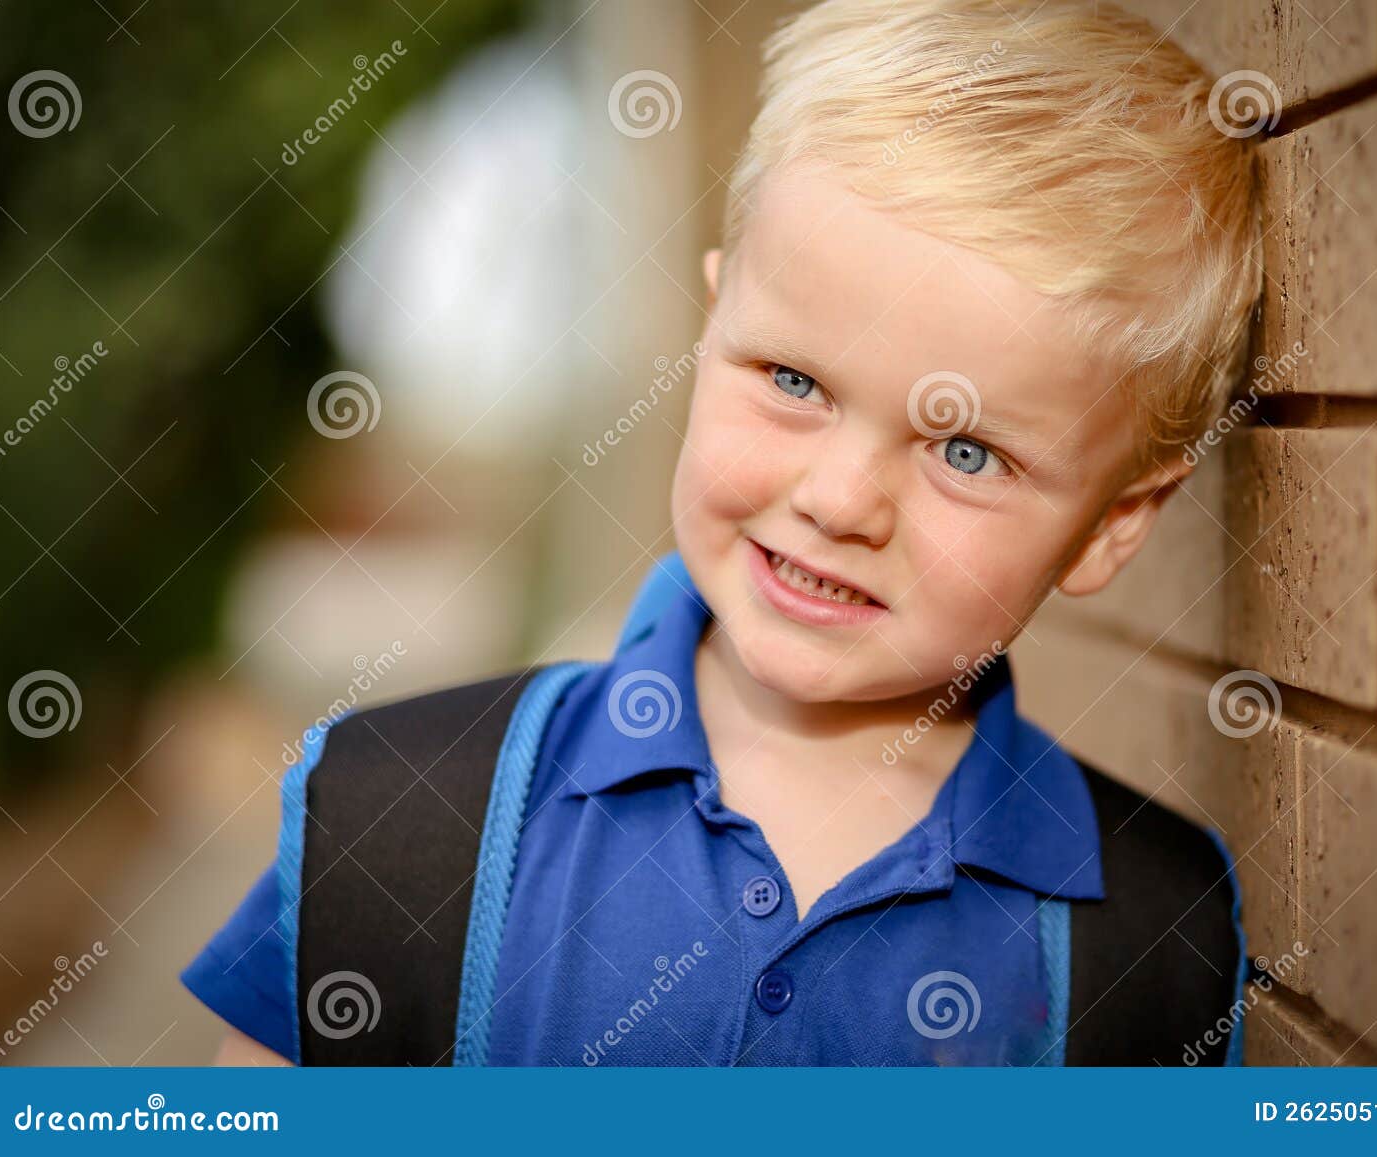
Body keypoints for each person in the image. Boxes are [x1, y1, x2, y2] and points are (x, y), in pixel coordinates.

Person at [183, 0, 1262, 1066]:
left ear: (1112, 523)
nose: (840, 500)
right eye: (793, 380)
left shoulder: (1158, 948)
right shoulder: (395, 816)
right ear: (710, 332)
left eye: (966, 452)